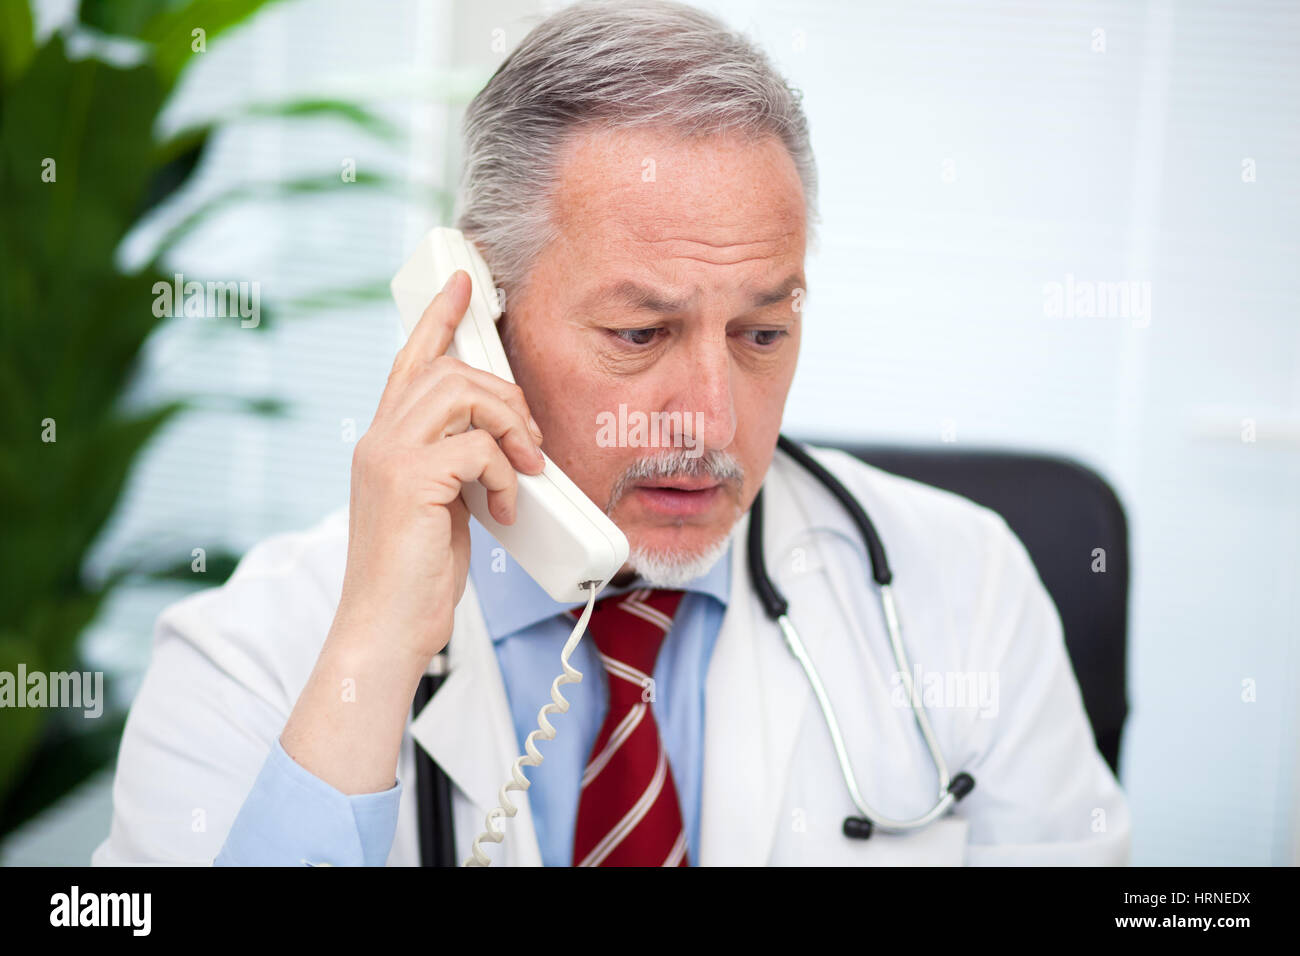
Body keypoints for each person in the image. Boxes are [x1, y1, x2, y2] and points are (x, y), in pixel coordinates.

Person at [92, 0, 1129, 867]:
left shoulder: (965, 591)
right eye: (640, 332)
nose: (713, 419)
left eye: (762, 331)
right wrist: (370, 652)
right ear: (476, 322)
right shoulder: (255, 658)